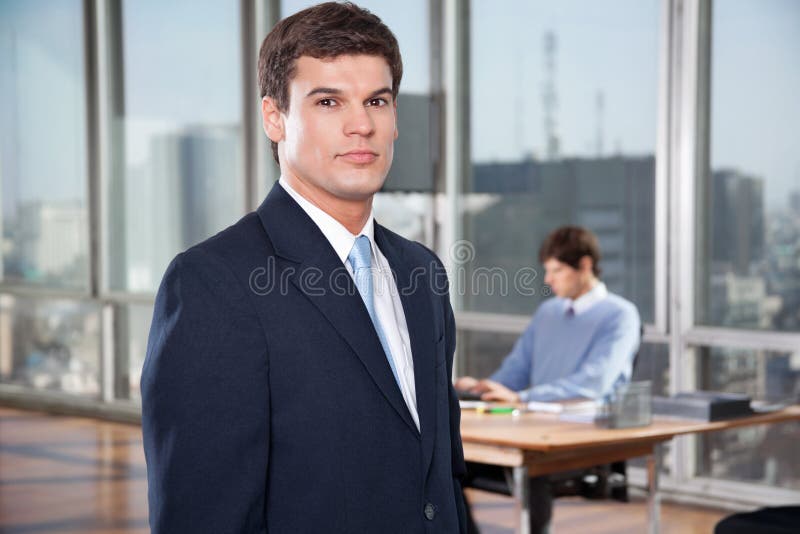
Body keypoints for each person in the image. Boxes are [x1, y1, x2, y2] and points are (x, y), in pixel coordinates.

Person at [141, 3, 467, 533]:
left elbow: (440, 477)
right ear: (274, 117)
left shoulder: (421, 272)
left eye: (377, 101)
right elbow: (202, 515)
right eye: (329, 101)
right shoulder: (213, 283)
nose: (361, 125)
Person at [455, 225, 641, 534]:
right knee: (450, 461)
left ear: (585, 265)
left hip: (579, 434)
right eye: (547, 270)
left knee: (531, 472)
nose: (548, 279)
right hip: (531, 424)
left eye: (557, 270)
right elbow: (517, 369)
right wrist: (484, 388)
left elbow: (593, 384)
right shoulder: (548, 312)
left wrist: (522, 398)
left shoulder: (620, 315)